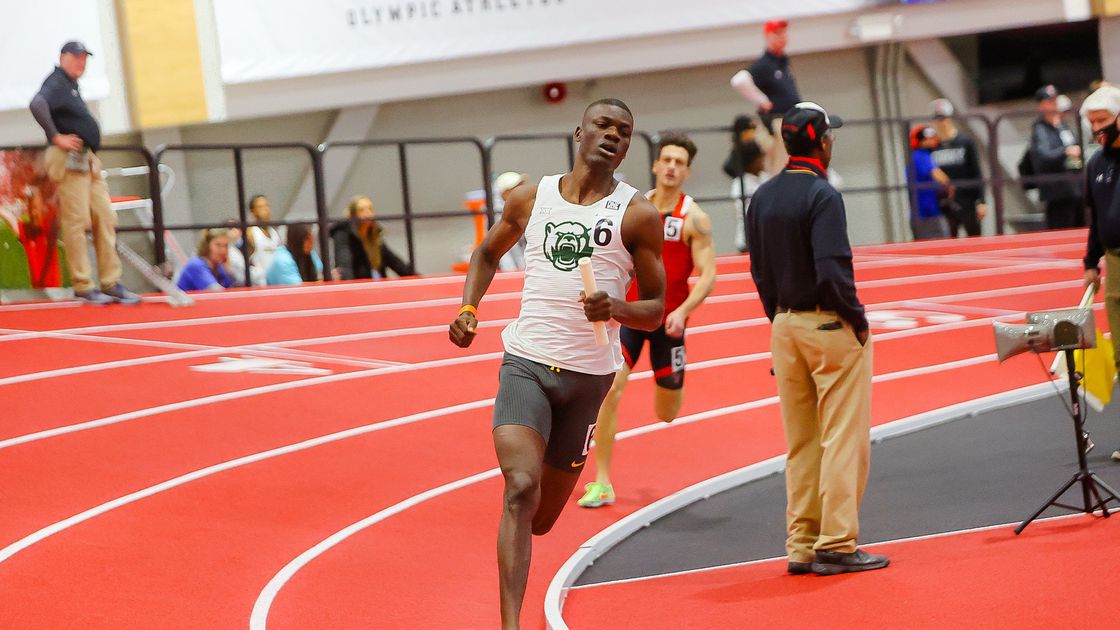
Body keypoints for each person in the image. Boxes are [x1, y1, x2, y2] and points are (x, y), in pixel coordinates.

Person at [448, 99, 665, 629]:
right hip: (527, 364)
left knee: (542, 519)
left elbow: (656, 311)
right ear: (579, 132)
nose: (613, 136)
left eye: (625, 132)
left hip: (589, 380)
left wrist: (615, 307)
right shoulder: (532, 197)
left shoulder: (638, 214)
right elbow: (486, 254)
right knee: (520, 488)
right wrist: (468, 308)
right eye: (603, 126)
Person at [747, 102, 887, 576]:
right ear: (823, 141)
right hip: (827, 324)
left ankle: (801, 544)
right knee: (843, 438)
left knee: (801, 442)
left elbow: (760, 273)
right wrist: (856, 319)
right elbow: (832, 269)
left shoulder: (762, 197)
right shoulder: (823, 195)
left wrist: (778, 321)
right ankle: (838, 542)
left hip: (783, 326)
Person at [578, 132, 717, 509]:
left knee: (667, 412)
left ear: (687, 171)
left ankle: (668, 385)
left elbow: (707, 274)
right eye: (666, 160)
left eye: (679, 163)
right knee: (611, 391)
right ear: (655, 165)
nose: (671, 167)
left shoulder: (695, 219)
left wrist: (683, 312)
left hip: (669, 322)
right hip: (633, 315)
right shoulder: (634, 209)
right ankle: (602, 482)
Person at [29, 41, 139, 305]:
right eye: (76, 57)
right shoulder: (56, 82)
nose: (81, 62)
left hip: (85, 158)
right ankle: (83, 284)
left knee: (105, 215)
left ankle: (110, 281)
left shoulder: (70, 85)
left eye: (84, 58)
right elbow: (37, 103)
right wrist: (56, 137)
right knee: (76, 221)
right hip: (69, 158)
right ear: (63, 57)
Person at [1079, 84, 1120, 463]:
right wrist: (1091, 263)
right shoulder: (1096, 164)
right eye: (1092, 123)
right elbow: (1095, 220)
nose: (1097, 130)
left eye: (1104, 121)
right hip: (1114, 263)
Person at [730, 19, 801, 175]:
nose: (782, 37)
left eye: (783, 33)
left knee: (794, 165)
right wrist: (761, 101)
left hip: (791, 121)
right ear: (768, 36)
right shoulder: (765, 64)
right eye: (777, 33)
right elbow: (739, 80)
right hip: (778, 123)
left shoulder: (782, 62)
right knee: (782, 168)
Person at [929, 98, 988, 237]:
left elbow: (976, 172)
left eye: (943, 118)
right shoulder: (932, 147)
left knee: (974, 240)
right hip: (944, 203)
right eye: (937, 118)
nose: (940, 122)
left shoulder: (965, 142)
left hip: (967, 199)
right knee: (948, 240)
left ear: (950, 118)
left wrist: (982, 201)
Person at [1029, 84, 1085, 229]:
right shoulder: (1039, 129)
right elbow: (1042, 157)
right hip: (1058, 192)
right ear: (1041, 106)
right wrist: (1065, 151)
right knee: (1062, 230)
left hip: (1076, 188)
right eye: (1049, 101)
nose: (1053, 105)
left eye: (1054, 101)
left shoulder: (1063, 126)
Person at [330, 195, 416, 280]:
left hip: (378, 286)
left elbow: (397, 264)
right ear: (353, 214)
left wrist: (421, 280)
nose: (367, 213)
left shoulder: (374, 236)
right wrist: (351, 289)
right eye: (361, 210)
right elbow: (345, 267)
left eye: (370, 209)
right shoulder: (343, 234)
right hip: (359, 287)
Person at [723, 115, 768, 252]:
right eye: (760, 159)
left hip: (765, 238)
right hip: (748, 241)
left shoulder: (765, 178)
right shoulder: (741, 184)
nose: (763, 162)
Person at [908, 124, 952, 240]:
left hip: (924, 213)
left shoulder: (917, 157)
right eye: (929, 139)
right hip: (927, 214)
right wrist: (950, 188)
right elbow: (941, 177)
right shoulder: (921, 156)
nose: (934, 141)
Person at [246, 194, 282, 283]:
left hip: (276, 283)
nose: (266, 209)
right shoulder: (251, 233)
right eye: (261, 207)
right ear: (253, 212)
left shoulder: (274, 233)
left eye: (267, 206)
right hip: (259, 285)